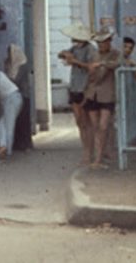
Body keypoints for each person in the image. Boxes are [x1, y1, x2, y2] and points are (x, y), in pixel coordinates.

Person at [57, 23, 96, 165]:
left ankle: (89, 152)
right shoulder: (75, 48)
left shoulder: (90, 49)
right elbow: (62, 54)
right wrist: (65, 54)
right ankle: (85, 149)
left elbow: (92, 67)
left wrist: (76, 62)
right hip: (74, 87)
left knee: (87, 122)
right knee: (80, 122)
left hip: (84, 88)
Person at [83, 26, 121, 169]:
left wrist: (102, 64)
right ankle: (97, 157)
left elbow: (117, 64)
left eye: (104, 42)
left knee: (104, 126)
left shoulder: (115, 54)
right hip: (92, 94)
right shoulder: (94, 55)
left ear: (109, 41)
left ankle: (101, 156)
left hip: (107, 95)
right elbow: (90, 74)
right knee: (95, 127)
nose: (101, 45)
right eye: (99, 42)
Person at [0, 63, 24, 159]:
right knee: (2, 124)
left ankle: (7, 152)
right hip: (13, 98)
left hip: (11, 99)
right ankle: (3, 147)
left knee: (8, 125)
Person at [6, 44, 33, 151]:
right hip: (14, 96)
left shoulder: (22, 65)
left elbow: (16, 80)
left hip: (23, 95)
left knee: (23, 121)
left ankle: (25, 144)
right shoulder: (11, 65)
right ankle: (18, 144)